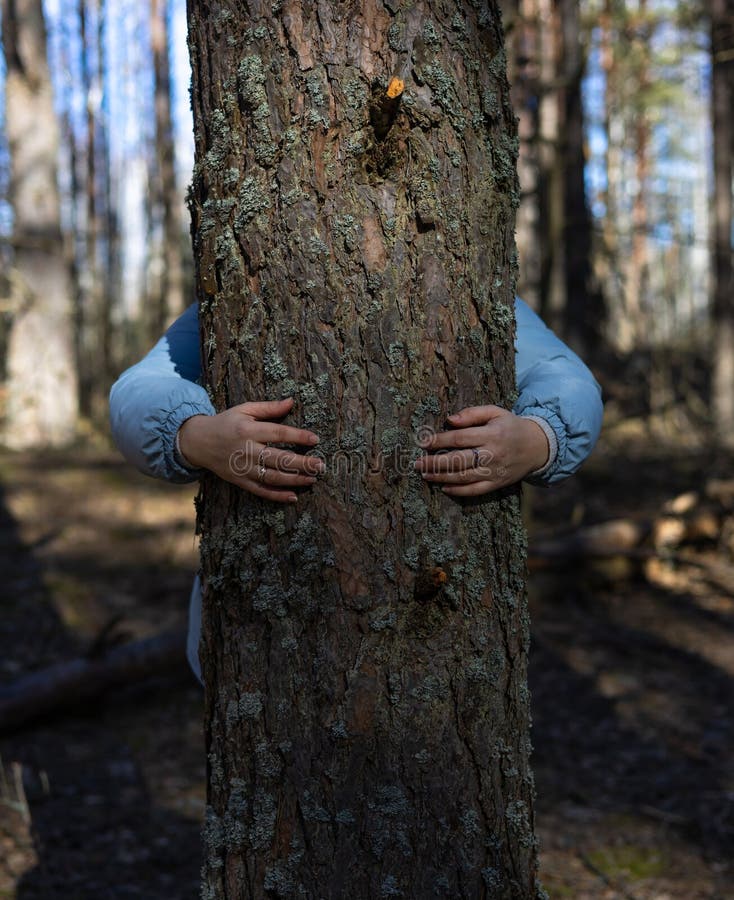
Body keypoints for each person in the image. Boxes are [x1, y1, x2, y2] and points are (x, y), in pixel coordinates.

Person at [109, 298, 603, 681]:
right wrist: (192, 433)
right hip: (255, 637)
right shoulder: (231, 284)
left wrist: (541, 437)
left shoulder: (479, 282)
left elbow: (565, 376)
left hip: (444, 630)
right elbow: (138, 387)